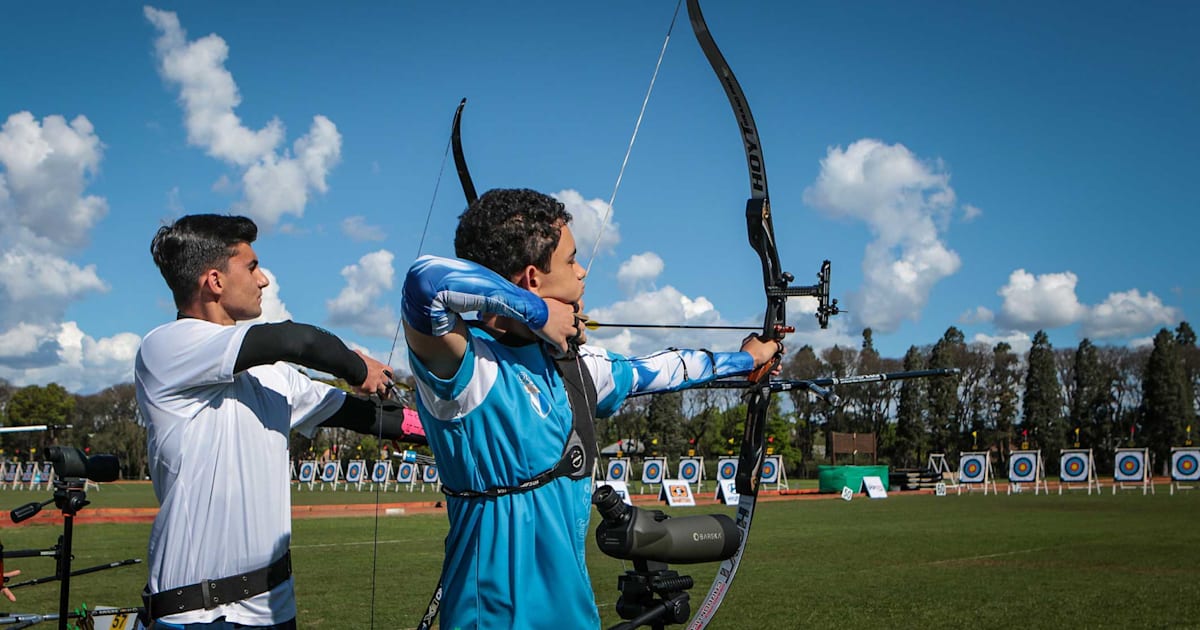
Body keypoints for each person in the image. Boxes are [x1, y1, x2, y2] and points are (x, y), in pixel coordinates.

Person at [402, 188, 781, 629]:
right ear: (531, 278)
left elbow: (664, 369)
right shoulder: (467, 367)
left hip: (573, 617)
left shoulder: (575, 369)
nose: (582, 272)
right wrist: (538, 314)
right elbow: (424, 283)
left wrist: (747, 360)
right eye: (570, 260)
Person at [135, 214, 423, 629]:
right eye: (251, 267)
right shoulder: (166, 347)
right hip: (196, 615)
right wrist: (358, 367)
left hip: (273, 609)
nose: (264, 280)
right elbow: (298, 340)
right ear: (215, 281)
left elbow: (365, 416)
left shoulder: (273, 375)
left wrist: (438, 430)